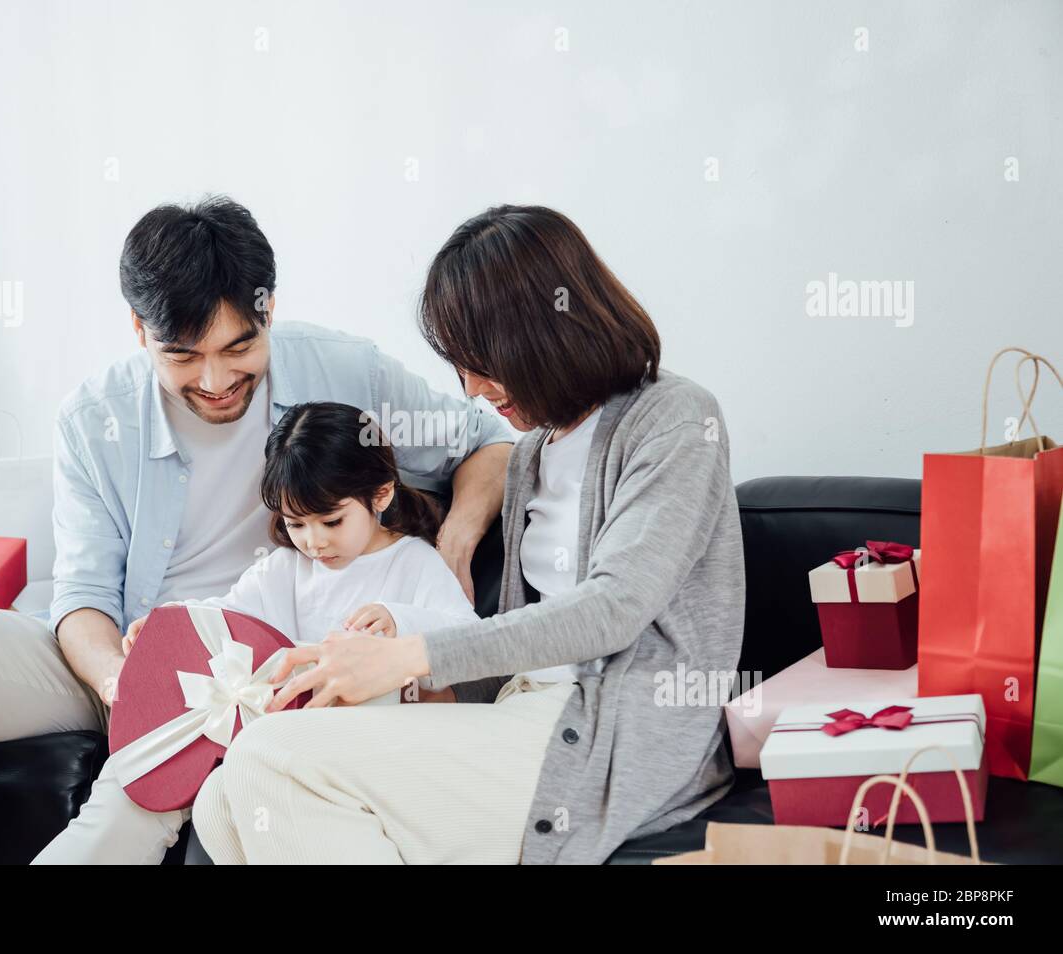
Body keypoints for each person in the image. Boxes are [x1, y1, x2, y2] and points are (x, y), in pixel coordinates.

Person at [0, 197, 513, 864]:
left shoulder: (343, 370)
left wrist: (454, 543)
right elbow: (85, 597)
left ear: (268, 310)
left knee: (134, 801)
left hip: (250, 683)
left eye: (239, 347)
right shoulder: (95, 418)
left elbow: (490, 440)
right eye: (184, 356)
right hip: (119, 656)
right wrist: (123, 681)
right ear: (138, 330)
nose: (216, 379)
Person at [190, 204, 746, 864]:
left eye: (485, 363)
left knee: (264, 764)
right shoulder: (536, 449)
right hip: (522, 712)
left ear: (549, 333)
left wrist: (413, 654)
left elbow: (613, 608)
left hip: (605, 738)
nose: (475, 390)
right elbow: (515, 655)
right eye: (462, 368)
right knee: (220, 802)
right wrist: (387, 671)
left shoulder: (676, 420)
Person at [32, 401, 477, 863]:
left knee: (233, 789)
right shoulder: (285, 567)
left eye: (331, 522)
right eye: (296, 523)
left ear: (381, 495)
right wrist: (172, 623)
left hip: (341, 750)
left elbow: (471, 637)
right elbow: (229, 616)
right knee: (137, 774)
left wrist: (401, 621)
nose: (314, 541)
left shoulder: (415, 564)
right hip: (254, 736)